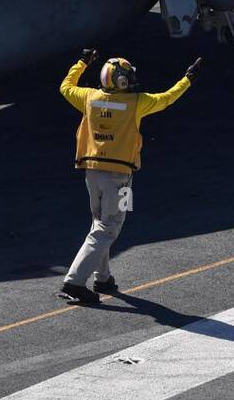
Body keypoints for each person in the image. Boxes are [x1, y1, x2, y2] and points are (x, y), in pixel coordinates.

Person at [56, 48, 199, 304]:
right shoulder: (135, 103)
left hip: (91, 171)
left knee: (99, 223)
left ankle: (103, 278)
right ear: (122, 81)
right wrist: (187, 79)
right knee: (108, 229)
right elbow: (167, 98)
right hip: (119, 176)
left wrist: (81, 62)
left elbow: (66, 87)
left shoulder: (88, 98)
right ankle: (74, 282)